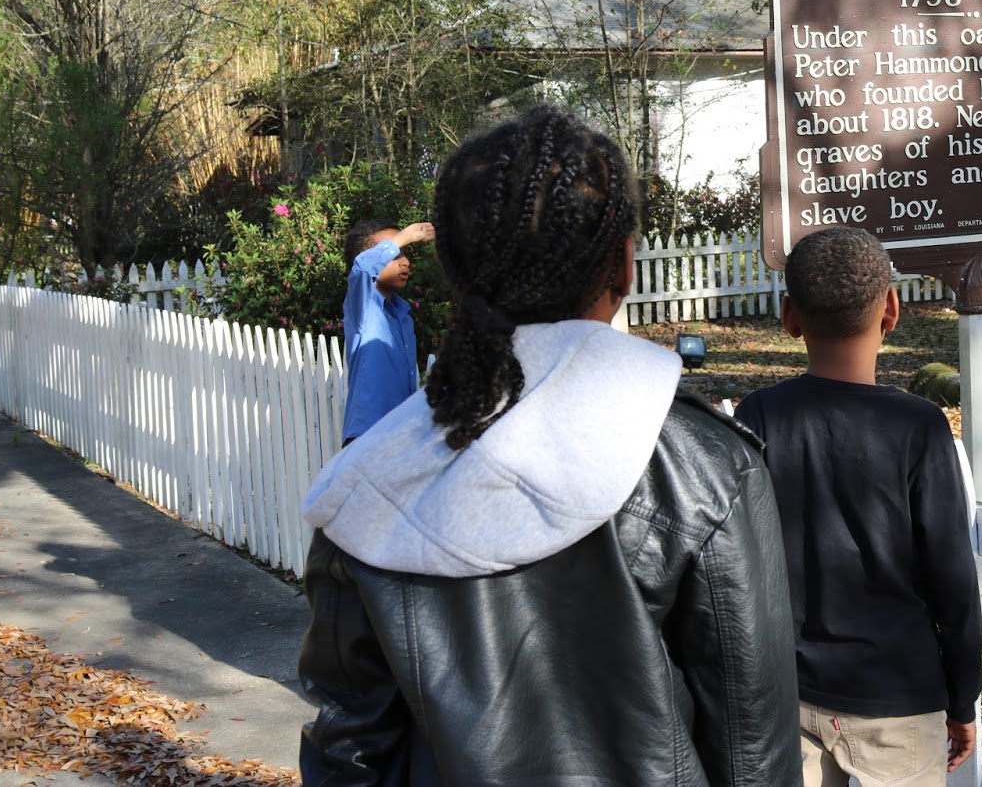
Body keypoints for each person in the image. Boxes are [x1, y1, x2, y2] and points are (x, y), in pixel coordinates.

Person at [299, 104, 801, 786]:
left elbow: (348, 756)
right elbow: (753, 752)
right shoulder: (707, 466)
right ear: (625, 266)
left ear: (454, 270)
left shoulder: (362, 485)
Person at [734, 226, 982, 787]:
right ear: (891, 308)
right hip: (897, 699)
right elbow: (952, 578)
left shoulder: (758, 416)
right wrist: (962, 698)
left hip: (787, 696)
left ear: (789, 316)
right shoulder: (918, 426)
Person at [339, 218, 434, 444]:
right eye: (395, 254)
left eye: (405, 254)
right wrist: (405, 236)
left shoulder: (403, 316)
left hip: (396, 437)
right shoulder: (363, 306)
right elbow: (362, 268)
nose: (406, 263)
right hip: (366, 435)